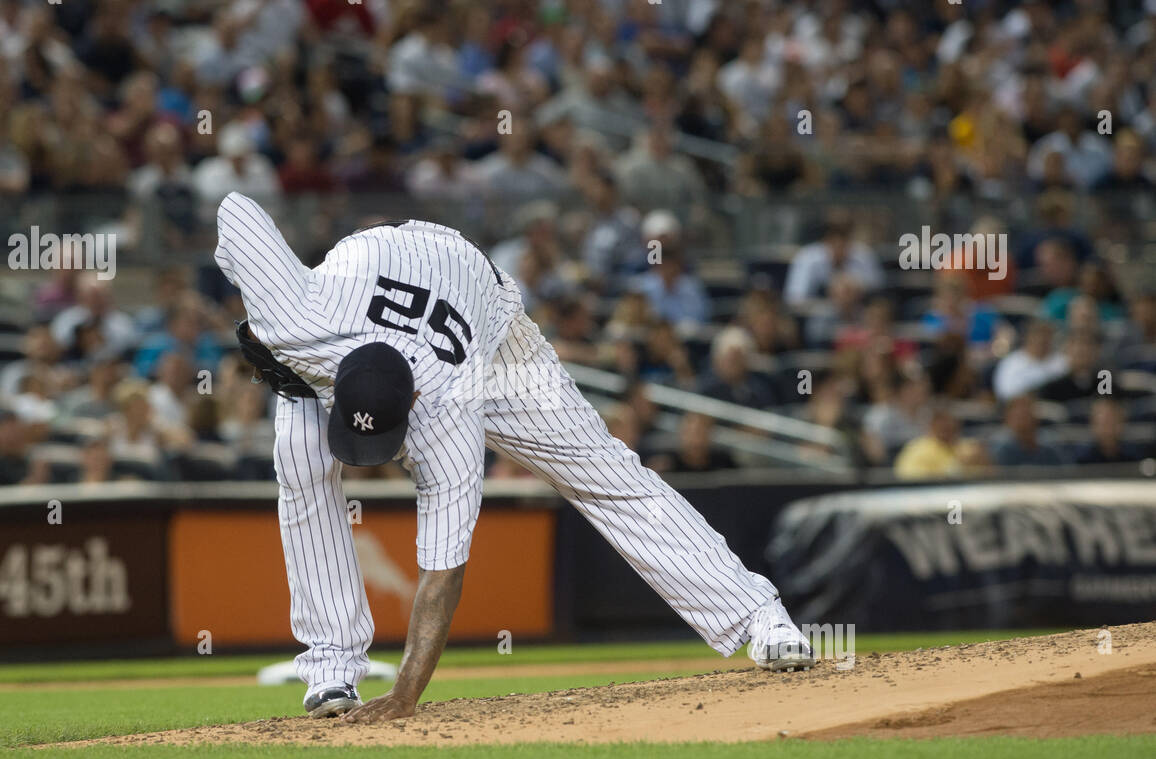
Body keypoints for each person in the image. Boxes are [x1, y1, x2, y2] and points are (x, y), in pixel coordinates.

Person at [213, 192, 815, 722]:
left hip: (492, 339)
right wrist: (259, 325)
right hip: (354, 308)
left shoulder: (449, 413)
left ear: (416, 404)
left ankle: (760, 617)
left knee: (603, 472)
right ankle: (330, 668)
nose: (379, 458)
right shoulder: (296, 320)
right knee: (301, 460)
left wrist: (405, 695)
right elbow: (234, 209)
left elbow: (442, 571)